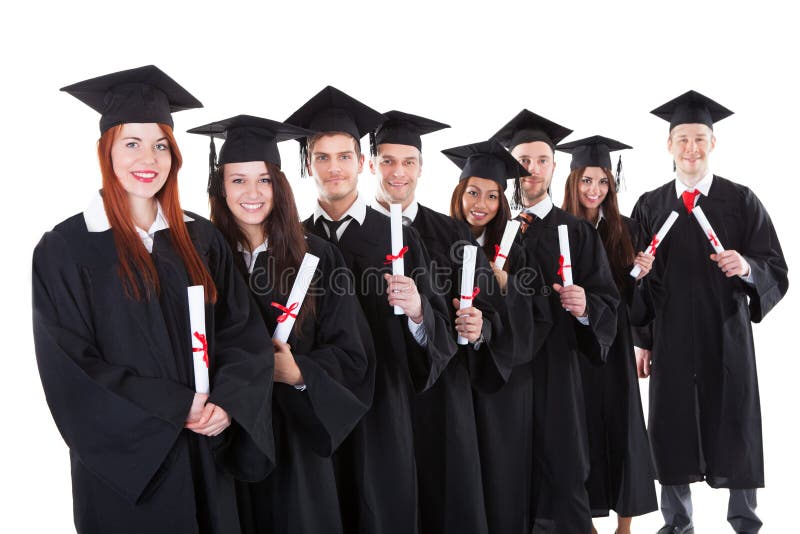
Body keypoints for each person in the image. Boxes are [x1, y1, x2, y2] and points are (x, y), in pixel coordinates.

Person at [32, 66, 275, 534]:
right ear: (105, 150)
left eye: (160, 144)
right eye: (132, 143)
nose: (149, 157)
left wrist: (229, 402)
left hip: (209, 450)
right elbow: (70, 368)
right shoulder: (66, 247)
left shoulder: (201, 238)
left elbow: (241, 332)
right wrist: (174, 406)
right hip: (129, 473)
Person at [188, 114, 375, 534]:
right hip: (226, 431)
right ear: (220, 188)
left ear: (281, 185)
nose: (252, 193)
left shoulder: (319, 258)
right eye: (237, 181)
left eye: (264, 180)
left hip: (296, 438)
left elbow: (353, 354)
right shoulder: (198, 257)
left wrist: (299, 374)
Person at [286, 86, 458, 534]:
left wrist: (419, 310)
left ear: (362, 163)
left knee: (383, 508)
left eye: (344, 156)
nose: (334, 167)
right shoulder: (293, 242)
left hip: (384, 405)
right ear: (308, 165)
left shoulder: (399, 236)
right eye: (322, 157)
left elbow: (436, 329)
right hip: (320, 405)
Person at [631, 90, 789, 534]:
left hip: (727, 332)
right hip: (672, 334)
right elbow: (638, 278)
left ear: (713, 143)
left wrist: (748, 267)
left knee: (735, 419)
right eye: (682, 139)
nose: (691, 148)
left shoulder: (741, 201)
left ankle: (745, 521)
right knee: (671, 424)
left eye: (700, 138)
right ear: (669, 145)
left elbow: (774, 265)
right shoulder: (650, 205)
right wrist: (641, 338)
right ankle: (677, 524)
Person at [370, 114, 514, 534]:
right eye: (388, 161)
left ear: (421, 166)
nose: (399, 172)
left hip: (442, 394)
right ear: (371, 164)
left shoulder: (452, 233)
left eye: (409, 161)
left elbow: (491, 314)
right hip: (377, 396)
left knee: (445, 500)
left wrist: (480, 327)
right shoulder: (350, 236)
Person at [491, 109, 620, 534]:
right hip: (507, 366)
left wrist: (586, 308)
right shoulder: (495, 228)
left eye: (541, 159)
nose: (531, 168)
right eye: (523, 159)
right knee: (506, 468)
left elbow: (607, 299)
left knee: (563, 467)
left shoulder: (576, 231)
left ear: (554, 166)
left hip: (559, 366)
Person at [557, 135, 658, 534]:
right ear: (572, 182)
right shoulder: (558, 228)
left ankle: (625, 525)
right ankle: (587, 522)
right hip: (574, 346)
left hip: (614, 347)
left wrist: (641, 275)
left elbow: (635, 306)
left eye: (602, 182)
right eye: (586, 181)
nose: (594, 190)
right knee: (578, 429)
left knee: (624, 427)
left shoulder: (626, 229)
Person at [443, 139, 540, 534]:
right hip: (452, 379)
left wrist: (508, 286)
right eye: (472, 192)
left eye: (492, 195)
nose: (480, 203)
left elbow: (537, 315)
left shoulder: (517, 248)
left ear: (503, 202)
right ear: (458, 193)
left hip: (502, 385)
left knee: (501, 477)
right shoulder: (437, 240)